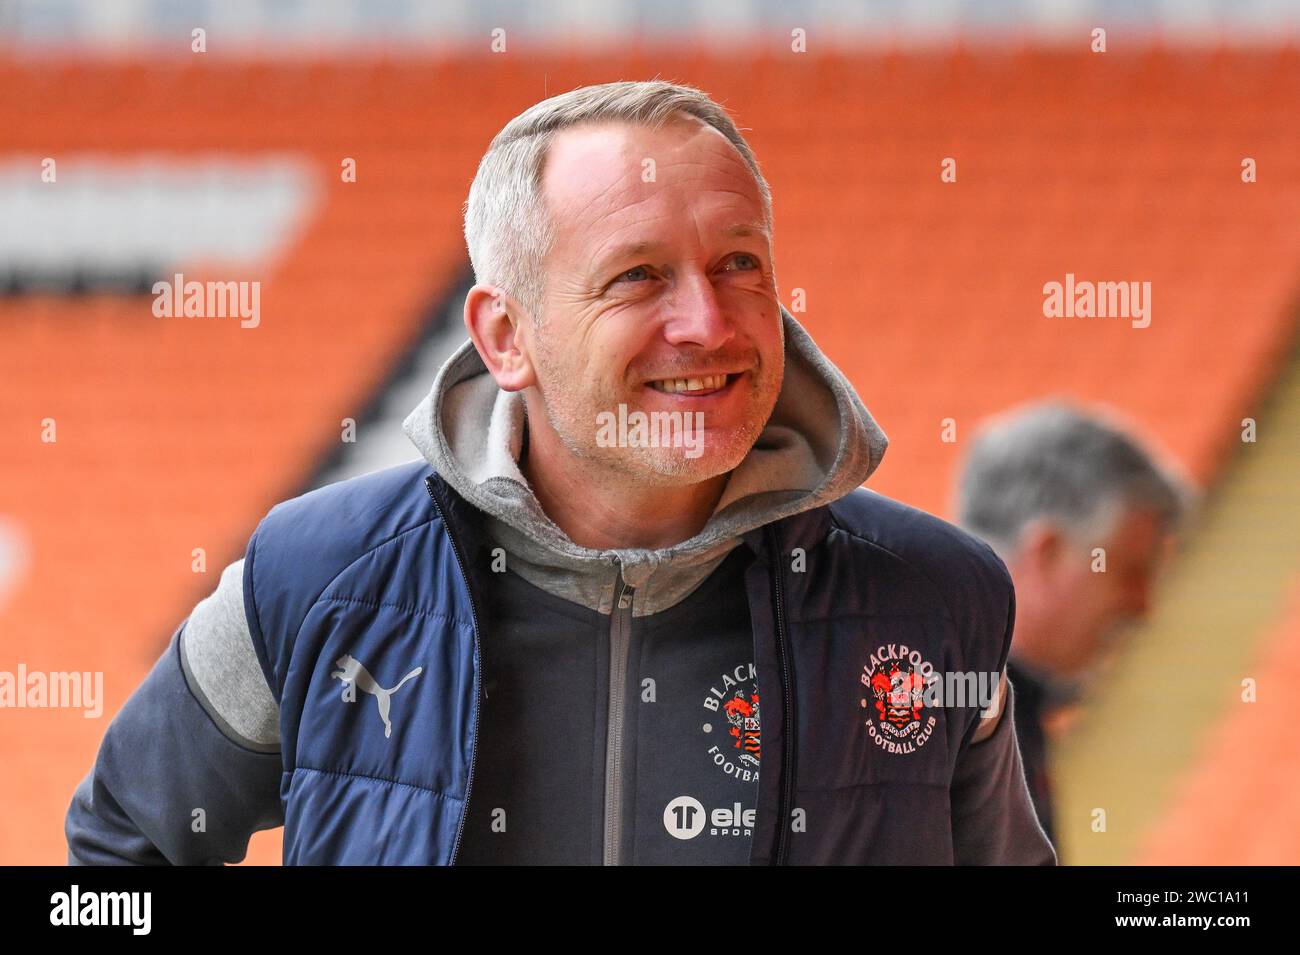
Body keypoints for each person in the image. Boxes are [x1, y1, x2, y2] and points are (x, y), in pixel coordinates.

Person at [66, 79, 1054, 865]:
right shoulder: (310, 576)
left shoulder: (932, 601)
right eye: (636, 277)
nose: (708, 324)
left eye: (739, 265)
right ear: (507, 336)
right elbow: (121, 854)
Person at [954, 399, 1192, 850]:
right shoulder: (943, 720)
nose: (1143, 607)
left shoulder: (991, 702)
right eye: (1130, 572)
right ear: (1047, 552)